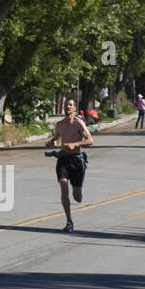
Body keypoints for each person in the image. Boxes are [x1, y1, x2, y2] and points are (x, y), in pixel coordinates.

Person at [46, 97, 94, 232]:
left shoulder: (79, 123)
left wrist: (76, 144)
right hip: (63, 159)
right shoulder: (60, 124)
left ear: (74, 108)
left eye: (70, 105)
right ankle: (69, 221)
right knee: (63, 185)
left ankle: (78, 191)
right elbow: (56, 138)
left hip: (77, 160)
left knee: (77, 197)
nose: (68, 107)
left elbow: (90, 140)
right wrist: (51, 143)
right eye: (66, 105)